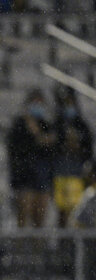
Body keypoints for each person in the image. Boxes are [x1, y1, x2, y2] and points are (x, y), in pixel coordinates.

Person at [7, 88, 56, 231]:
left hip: (42, 175)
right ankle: (21, 251)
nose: (38, 106)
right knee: (23, 215)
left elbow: (51, 145)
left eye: (40, 103)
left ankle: (37, 250)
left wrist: (40, 137)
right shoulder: (19, 125)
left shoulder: (45, 124)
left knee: (39, 218)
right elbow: (16, 149)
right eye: (35, 103)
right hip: (24, 176)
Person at [52, 85, 94, 227]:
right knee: (62, 211)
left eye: (71, 102)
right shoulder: (58, 123)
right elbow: (52, 147)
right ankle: (63, 242)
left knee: (77, 211)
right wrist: (64, 144)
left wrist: (77, 146)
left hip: (76, 173)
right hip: (61, 173)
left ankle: (74, 243)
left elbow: (87, 150)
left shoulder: (81, 125)